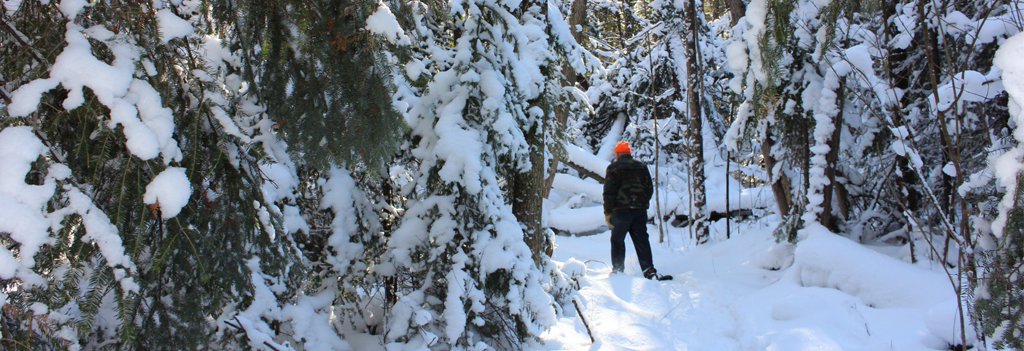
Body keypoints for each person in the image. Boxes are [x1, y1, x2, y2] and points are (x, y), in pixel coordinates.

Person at [603, 141, 661, 280]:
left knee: (617, 241)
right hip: (639, 211)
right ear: (628, 153)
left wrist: (608, 212)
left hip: (620, 212)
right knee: (642, 240)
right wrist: (642, 203)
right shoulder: (642, 167)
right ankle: (649, 270)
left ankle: (618, 270)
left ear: (617, 153)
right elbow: (649, 188)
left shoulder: (613, 168)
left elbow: (608, 192)